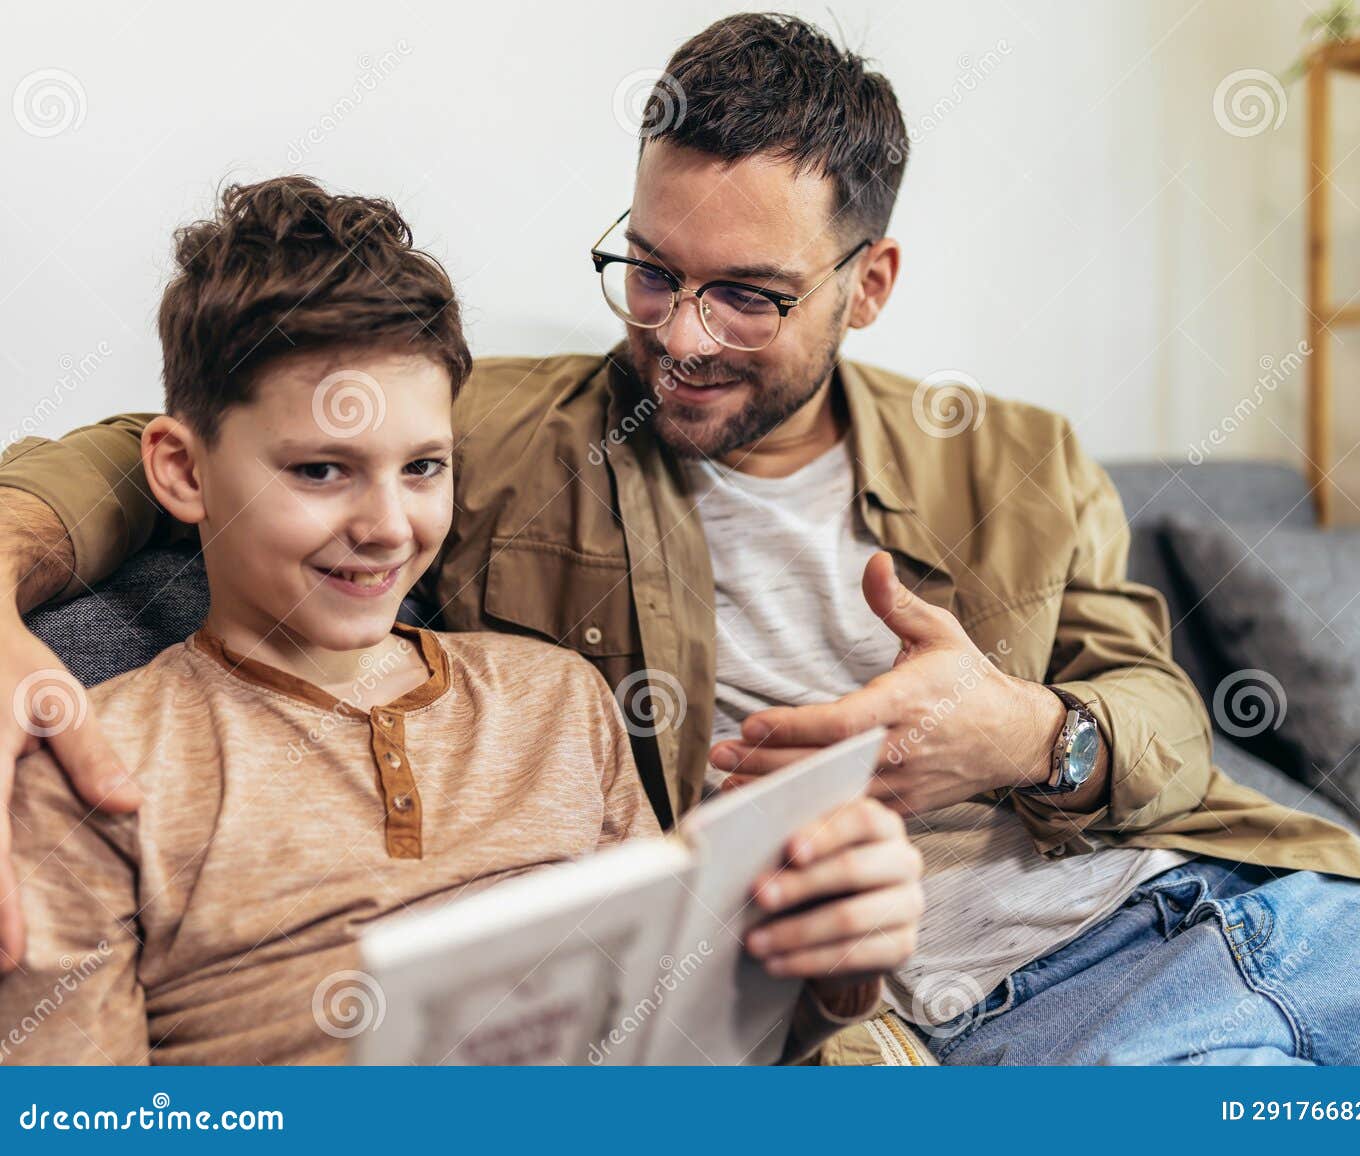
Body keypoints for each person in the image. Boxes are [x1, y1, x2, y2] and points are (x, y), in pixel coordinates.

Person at [2, 13, 1360, 1065]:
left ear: (869, 284)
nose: (680, 337)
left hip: (1231, 894)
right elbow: (170, 451)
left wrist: (1025, 735)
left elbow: (1168, 728)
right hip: (999, 1008)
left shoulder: (1021, 465)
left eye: (750, 295)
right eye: (649, 268)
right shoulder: (487, 433)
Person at [0, 175, 921, 1064]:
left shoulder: (561, 700)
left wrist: (829, 972)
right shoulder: (90, 769)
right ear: (183, 472)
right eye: (321, 470)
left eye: (423, 468)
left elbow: (681, 1041)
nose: (387, 528)